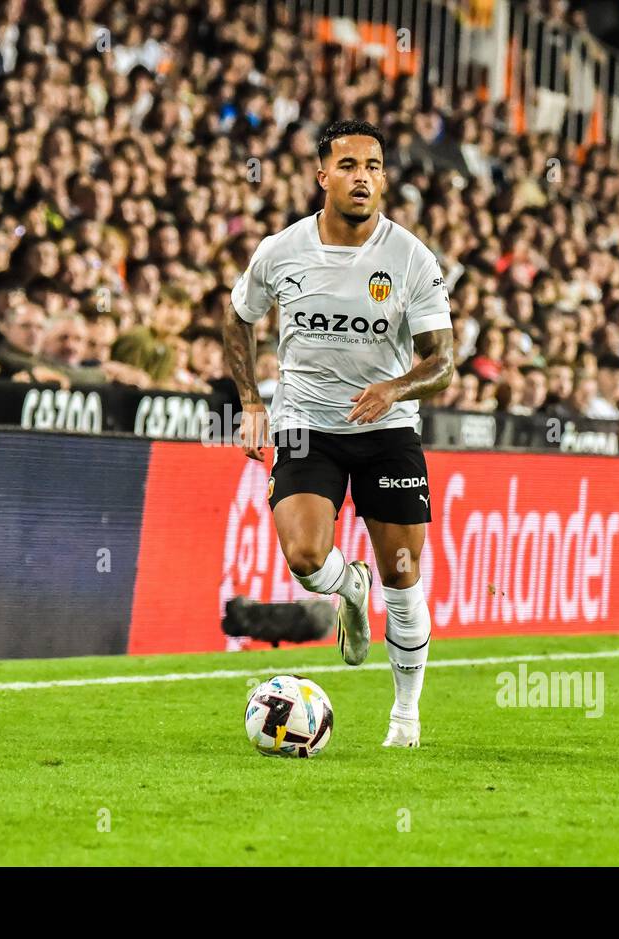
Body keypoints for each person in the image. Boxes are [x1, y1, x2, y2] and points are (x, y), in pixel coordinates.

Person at [223, 120, 454, 749]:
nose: (363, 177)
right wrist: (249, 401)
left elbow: (441, 360)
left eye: (374, 166)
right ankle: (344, 586)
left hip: (386, 432)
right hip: (305, 424)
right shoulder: (281, 250)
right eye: (349, 165)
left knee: (402, 576)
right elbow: (238, 316)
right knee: (303, 558)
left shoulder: (409, 257)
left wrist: (394, 388)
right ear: (322, 175)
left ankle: (404, 715)